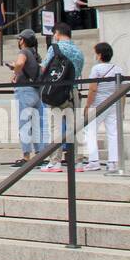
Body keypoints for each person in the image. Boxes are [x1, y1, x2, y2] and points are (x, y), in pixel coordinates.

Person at [39, 22, 85, 172]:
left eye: (54, 34)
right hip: (74, 92)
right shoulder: (79, 52)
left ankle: (55, 161)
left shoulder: (55, 48)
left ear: (57, 33)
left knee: (56, 126)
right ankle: (78, 161)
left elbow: (45, 67)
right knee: (75, 128)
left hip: (57, 92)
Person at [80, 42, 122, 172]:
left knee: (90, 131)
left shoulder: (96, 69)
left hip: (98, 103)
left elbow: (93, 89)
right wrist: (123, 108)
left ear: (99, 55)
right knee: (113, 132)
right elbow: (122, 89)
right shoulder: (118, 69)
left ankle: (93, 160)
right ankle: (113, 161)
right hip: (114, 103)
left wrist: (88, 105)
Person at [6, 29, 45, 165]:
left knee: (24, 124)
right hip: (36, 91)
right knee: (37, 124)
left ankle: (26, 156)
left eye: (19, 39)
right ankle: (40, 154)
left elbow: (21, 63)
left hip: (24, 90)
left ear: (23, 40)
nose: (18, 41)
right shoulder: (35, 54)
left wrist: (15, 71)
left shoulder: (24, 52)